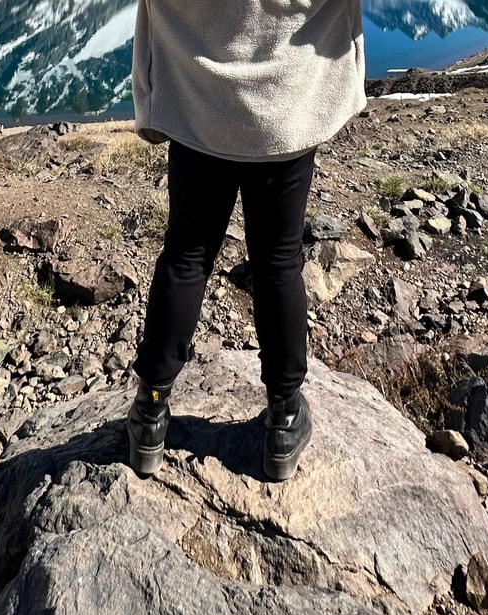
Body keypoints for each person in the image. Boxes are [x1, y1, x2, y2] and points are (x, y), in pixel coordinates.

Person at [126, 0, 367, 481]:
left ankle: (151, 412)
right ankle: (284, 420)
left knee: (186, 257)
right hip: (287, 108)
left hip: (199, 107)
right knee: (279, 264)